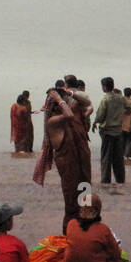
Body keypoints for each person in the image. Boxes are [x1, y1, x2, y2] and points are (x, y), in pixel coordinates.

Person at [33, 86, 93, 227]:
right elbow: (68, 115)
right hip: (68, 166)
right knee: (72, 201)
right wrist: (59, 99)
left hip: (83, 164)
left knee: (85, 194)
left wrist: (70, 93)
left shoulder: (74, 113)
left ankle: (87, 225)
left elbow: (87, 103)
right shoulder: (53, 122)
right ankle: (70, 230)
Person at [64, 192, 124, 262]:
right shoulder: (103, 229)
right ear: (97, 211)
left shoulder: (71, 224)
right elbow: (115, 253)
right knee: (119, 260)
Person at [92, 77, 127, 185]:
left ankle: (106, 179)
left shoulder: (105, 99)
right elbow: (128, 109)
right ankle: (120, 179)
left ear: (104, 87)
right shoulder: (121, 98)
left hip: (107, 131)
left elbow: (100, 116)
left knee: (106, 157)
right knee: (118, 157)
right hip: (118, 130)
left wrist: (95, 123)